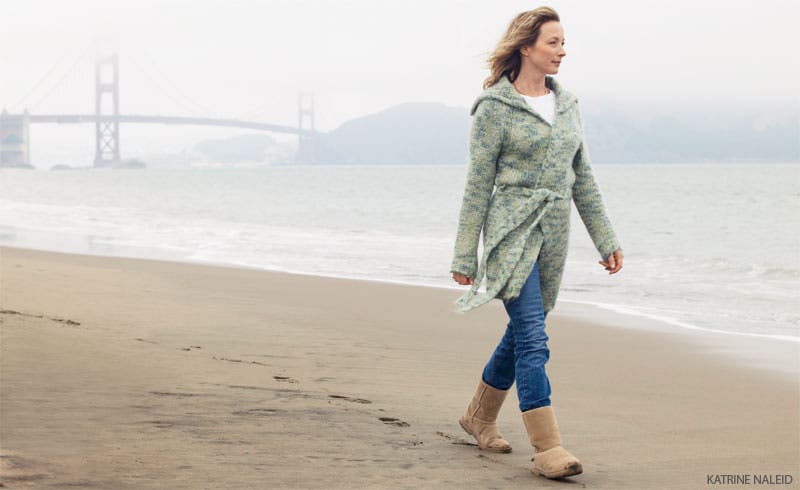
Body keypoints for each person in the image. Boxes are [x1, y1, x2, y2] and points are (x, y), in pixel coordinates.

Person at [449, 7, 624, 480]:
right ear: (525, 47)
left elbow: (582, 177)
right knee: (533, 338)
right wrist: (466, 254)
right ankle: (548, 448)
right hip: (510, 234)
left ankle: (479, 417)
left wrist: (605, 238)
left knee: (523, 331)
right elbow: (477, 185)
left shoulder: (568, 106)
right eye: (553, 42)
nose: (562, 51)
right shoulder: (494, 109)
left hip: (554, 235)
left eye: (564, 43)